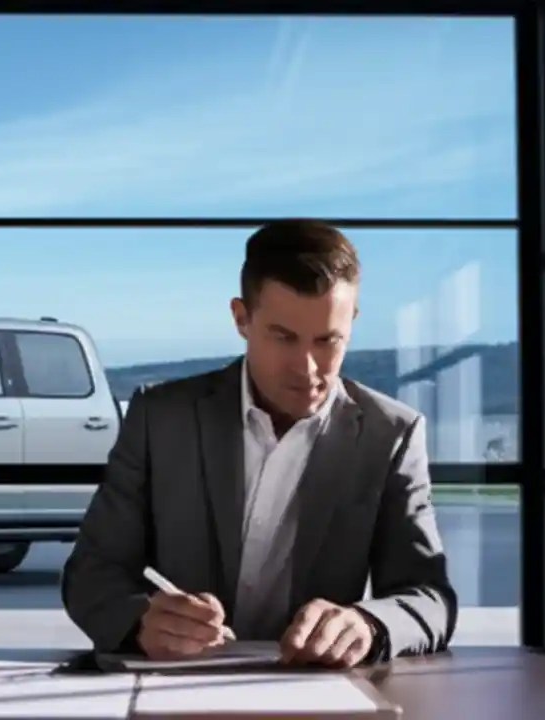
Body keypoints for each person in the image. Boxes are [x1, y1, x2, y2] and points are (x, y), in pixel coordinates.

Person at [61, 219, 456, 667]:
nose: (306, 368)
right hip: (172, 689)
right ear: (241, 318)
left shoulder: (391, 435)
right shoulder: (161, 417)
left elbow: (429, 598)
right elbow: (90, 574)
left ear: (353, 322)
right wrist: (138, 622)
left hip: (314, 697)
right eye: (283, 337)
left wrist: (368, 625)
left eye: (328, 340)